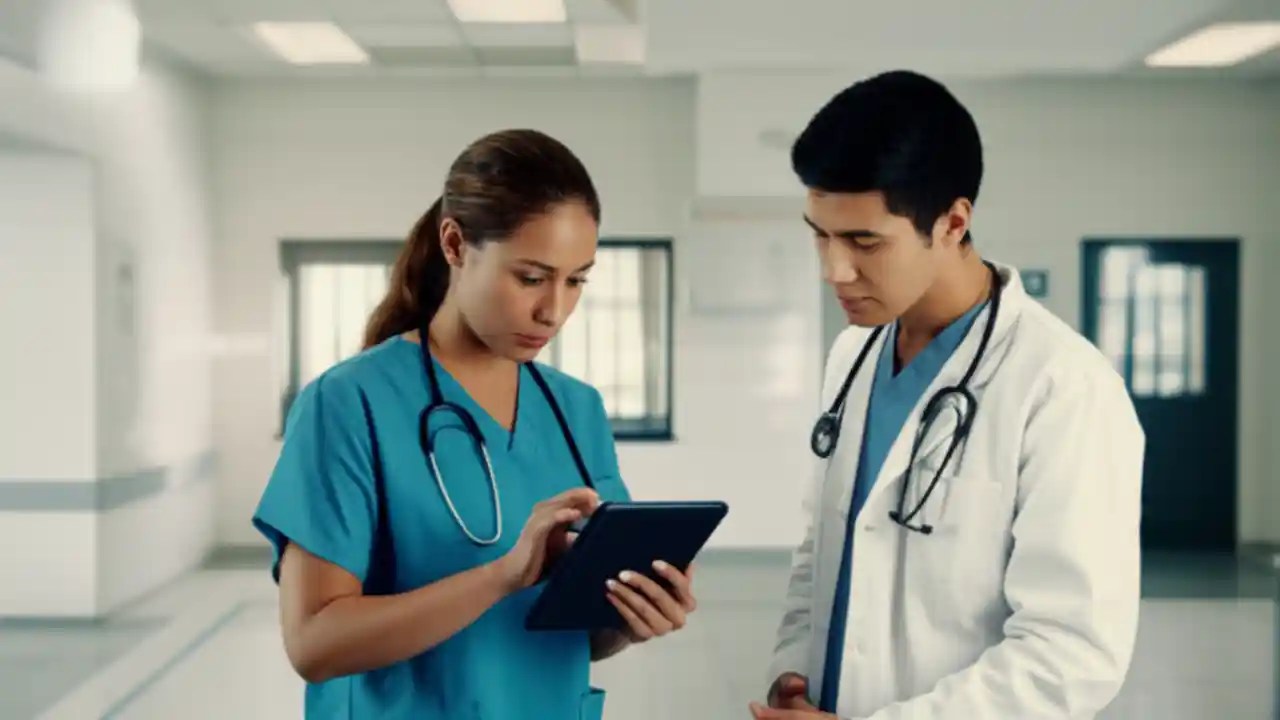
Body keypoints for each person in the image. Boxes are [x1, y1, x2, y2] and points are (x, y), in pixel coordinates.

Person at [252, 128, 698, 720]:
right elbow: (314, 644)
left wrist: (630, 617)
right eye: (532, 278)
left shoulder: (576, 410)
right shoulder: (348, 402)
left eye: (577, 280)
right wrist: (501, 577)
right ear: (456, 244)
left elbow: (578, 635)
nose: (555, 310)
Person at [750, 71, 1145, 719]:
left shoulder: (1063, 386)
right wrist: (793, 669)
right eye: (819, 233)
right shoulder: (854, 354)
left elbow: (1072, 653)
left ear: (953, 222)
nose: (833, 269)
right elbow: (826, 545)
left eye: (864, 241)